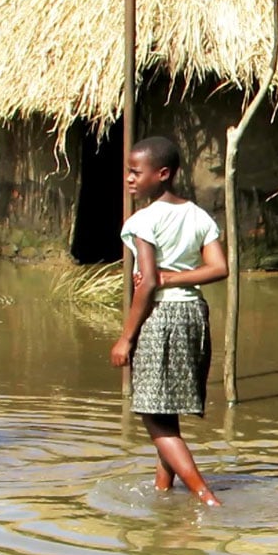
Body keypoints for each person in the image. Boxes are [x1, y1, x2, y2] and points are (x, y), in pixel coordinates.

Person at [111, 136, 228, 507]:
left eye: (135, 172)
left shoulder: (142, 221)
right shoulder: (198, 215)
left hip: (160, 317)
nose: (129, 179)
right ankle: (164, 491)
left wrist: (126, 337)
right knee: (167, 411)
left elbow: (145, 285)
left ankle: (205, 497)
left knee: (153, 416)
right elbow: (218, 268)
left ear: (162, 174)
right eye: (128, 172)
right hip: (194, 315)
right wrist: (172, 277)